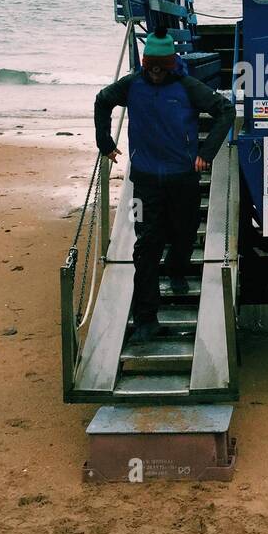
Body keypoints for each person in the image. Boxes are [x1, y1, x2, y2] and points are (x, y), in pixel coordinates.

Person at [94, 27, 235, 342]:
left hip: (183, 177)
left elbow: (225, 111)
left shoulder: (187, 87)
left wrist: (206, 153)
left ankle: (176, 269)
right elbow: (102, 101)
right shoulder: (132, 85)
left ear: (171, 63)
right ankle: (146, 318)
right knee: (146, 246)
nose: (156, 73)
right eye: (151, 67)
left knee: (184, 234)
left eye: (162, 67)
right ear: (145, 63)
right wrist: (105, 142)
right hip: (145, 180)